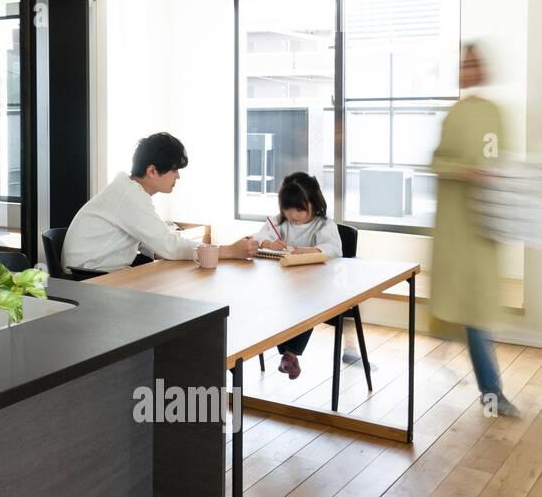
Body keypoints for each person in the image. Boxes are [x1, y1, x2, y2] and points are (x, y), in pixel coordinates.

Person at [430, 43, 520, 418]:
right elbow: (437, 161)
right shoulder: (453, 114)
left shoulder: (496, 114)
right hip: (457, 230)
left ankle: (486, 388)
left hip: (485, 226)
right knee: (474, 314)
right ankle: (491, 395)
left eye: (473, 64)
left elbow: (503, 162)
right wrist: (464, 171)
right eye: (463, 64)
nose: (467, 70)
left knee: (479, 311)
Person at [62, 132, 257, 273]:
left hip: (97, 272)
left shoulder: (129, 191)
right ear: (152, 171)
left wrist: (163, 249)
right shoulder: (129, 196)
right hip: (88, 278)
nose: (178, 177)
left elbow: (155, 243)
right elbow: (169, 246)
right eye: (174, 170)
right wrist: (231, 250)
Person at [253, 172, 342, 379]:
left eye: (299, 209)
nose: (293, 214)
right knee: (270, 304)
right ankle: (287, 354)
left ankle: (290, 353)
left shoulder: (323, 224)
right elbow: (260, 237)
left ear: (314, 203)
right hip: (283, 285)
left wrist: (308, 251)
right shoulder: (279, 222)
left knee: (305, 307)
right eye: (287, 208)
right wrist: (268, 243)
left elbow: (334, 249)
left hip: (314, 287)